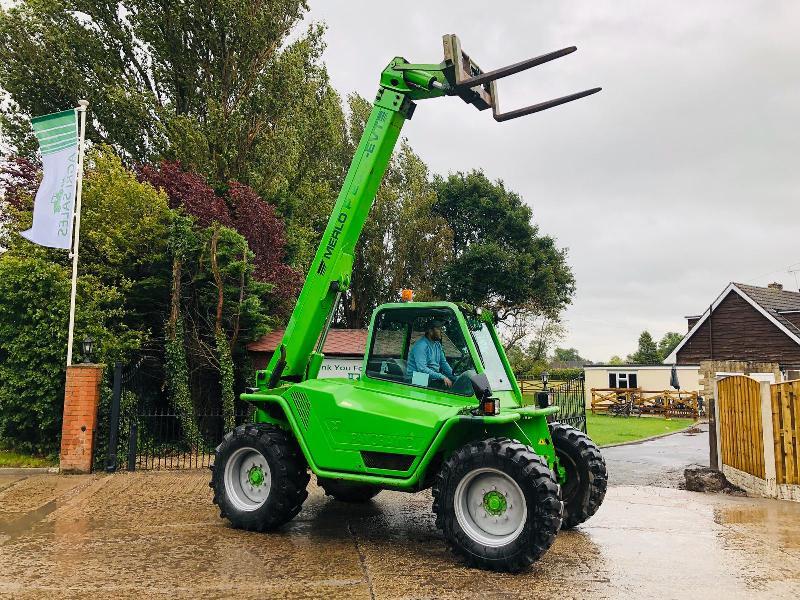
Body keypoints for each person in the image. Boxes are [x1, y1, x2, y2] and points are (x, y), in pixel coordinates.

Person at [406, 319, 455, 388]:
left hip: (428, 377)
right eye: (438, 329)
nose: (441, 331)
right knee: (444, 387)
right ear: (430, 331)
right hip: (415, 378)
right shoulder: (421, 346)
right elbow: (422, 369)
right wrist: (442, 377)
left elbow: (443, 363)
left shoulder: (437, 345)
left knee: (451, 384)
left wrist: (454, 376)